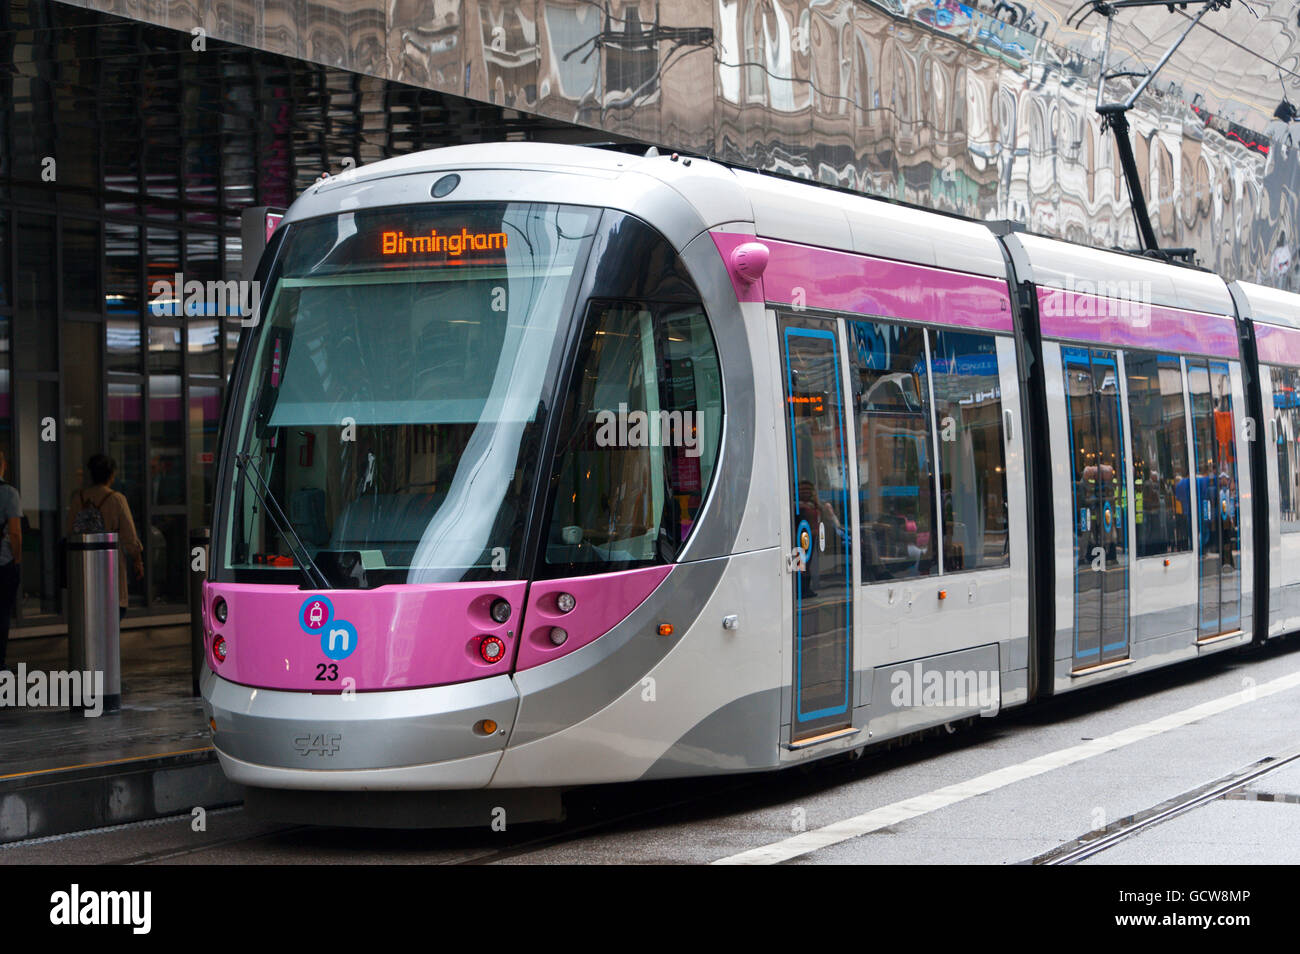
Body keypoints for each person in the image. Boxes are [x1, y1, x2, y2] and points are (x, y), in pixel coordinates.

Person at [68, 454, 143, 621]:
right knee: (112, 615)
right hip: (110, 566)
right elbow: (130, 537)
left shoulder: (78, 498)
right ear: (111, 475)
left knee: (87, 616)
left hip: (83, 566)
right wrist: (138, 560)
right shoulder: (117, 499)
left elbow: (70, 532)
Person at [0, 450, 21, 671]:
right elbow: (15, 532)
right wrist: (17, 559)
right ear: (3, 465)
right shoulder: (9, 493)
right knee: (3, 612)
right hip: (3, 562)